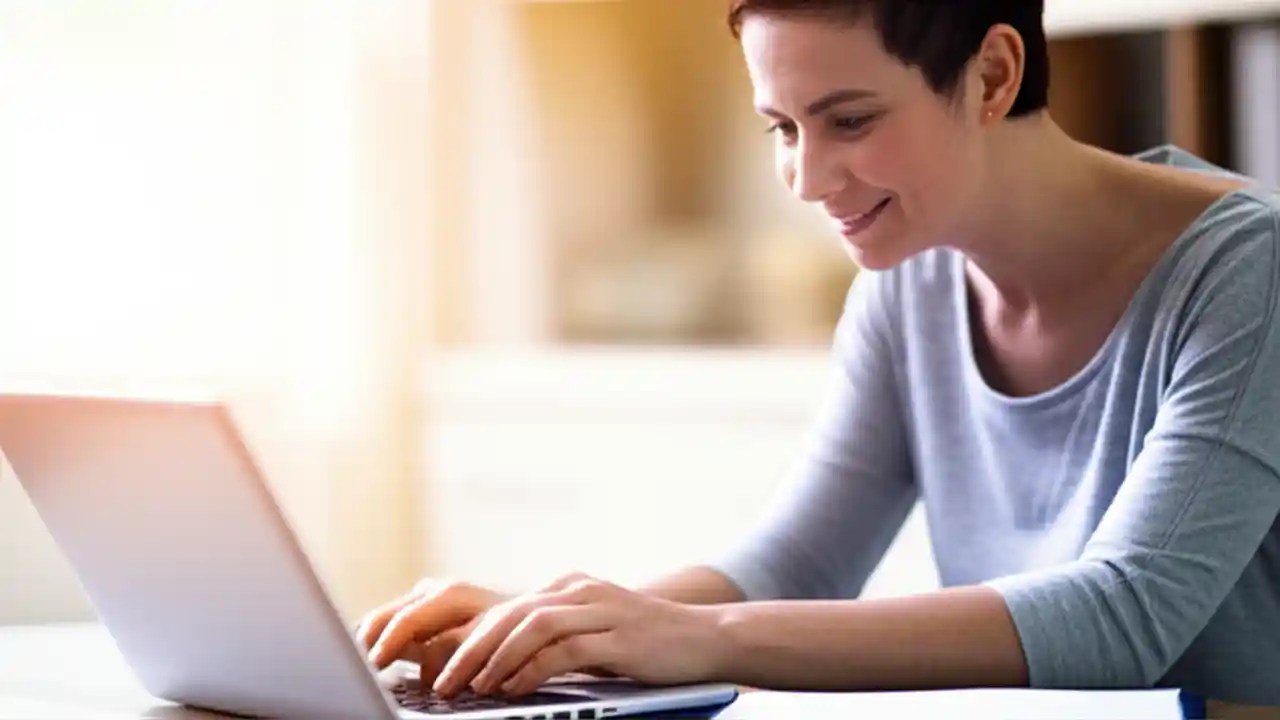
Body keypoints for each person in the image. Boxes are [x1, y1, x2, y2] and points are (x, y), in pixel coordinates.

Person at [357, 1, 1280, 715]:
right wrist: (561, 631)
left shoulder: (1248, 269)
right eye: (781, 127)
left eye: (848, 120)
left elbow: (1122, 616)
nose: (804, 180)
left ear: (993, 74)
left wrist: (693, 637)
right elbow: (798, 559)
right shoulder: (910, 274)